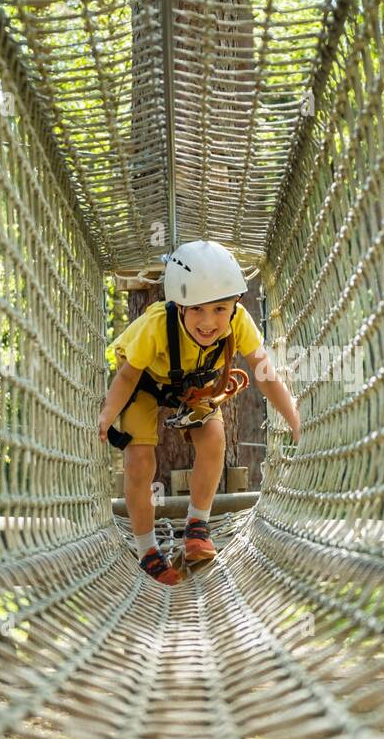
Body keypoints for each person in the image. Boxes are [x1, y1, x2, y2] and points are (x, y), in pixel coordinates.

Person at [98, 240, 300, 585]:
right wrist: (107, 416)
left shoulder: (239, 321)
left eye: (220, 310)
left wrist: (294, 418)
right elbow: (129, 375)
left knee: (213, 439)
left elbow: (265, 373)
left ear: (235, 305)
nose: (209, 323)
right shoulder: (158, 325)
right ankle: (147, 549)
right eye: (198, 310)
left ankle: (197, 526)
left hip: (193, 384)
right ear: (179, 307)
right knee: (139, 462)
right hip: (144, 382)